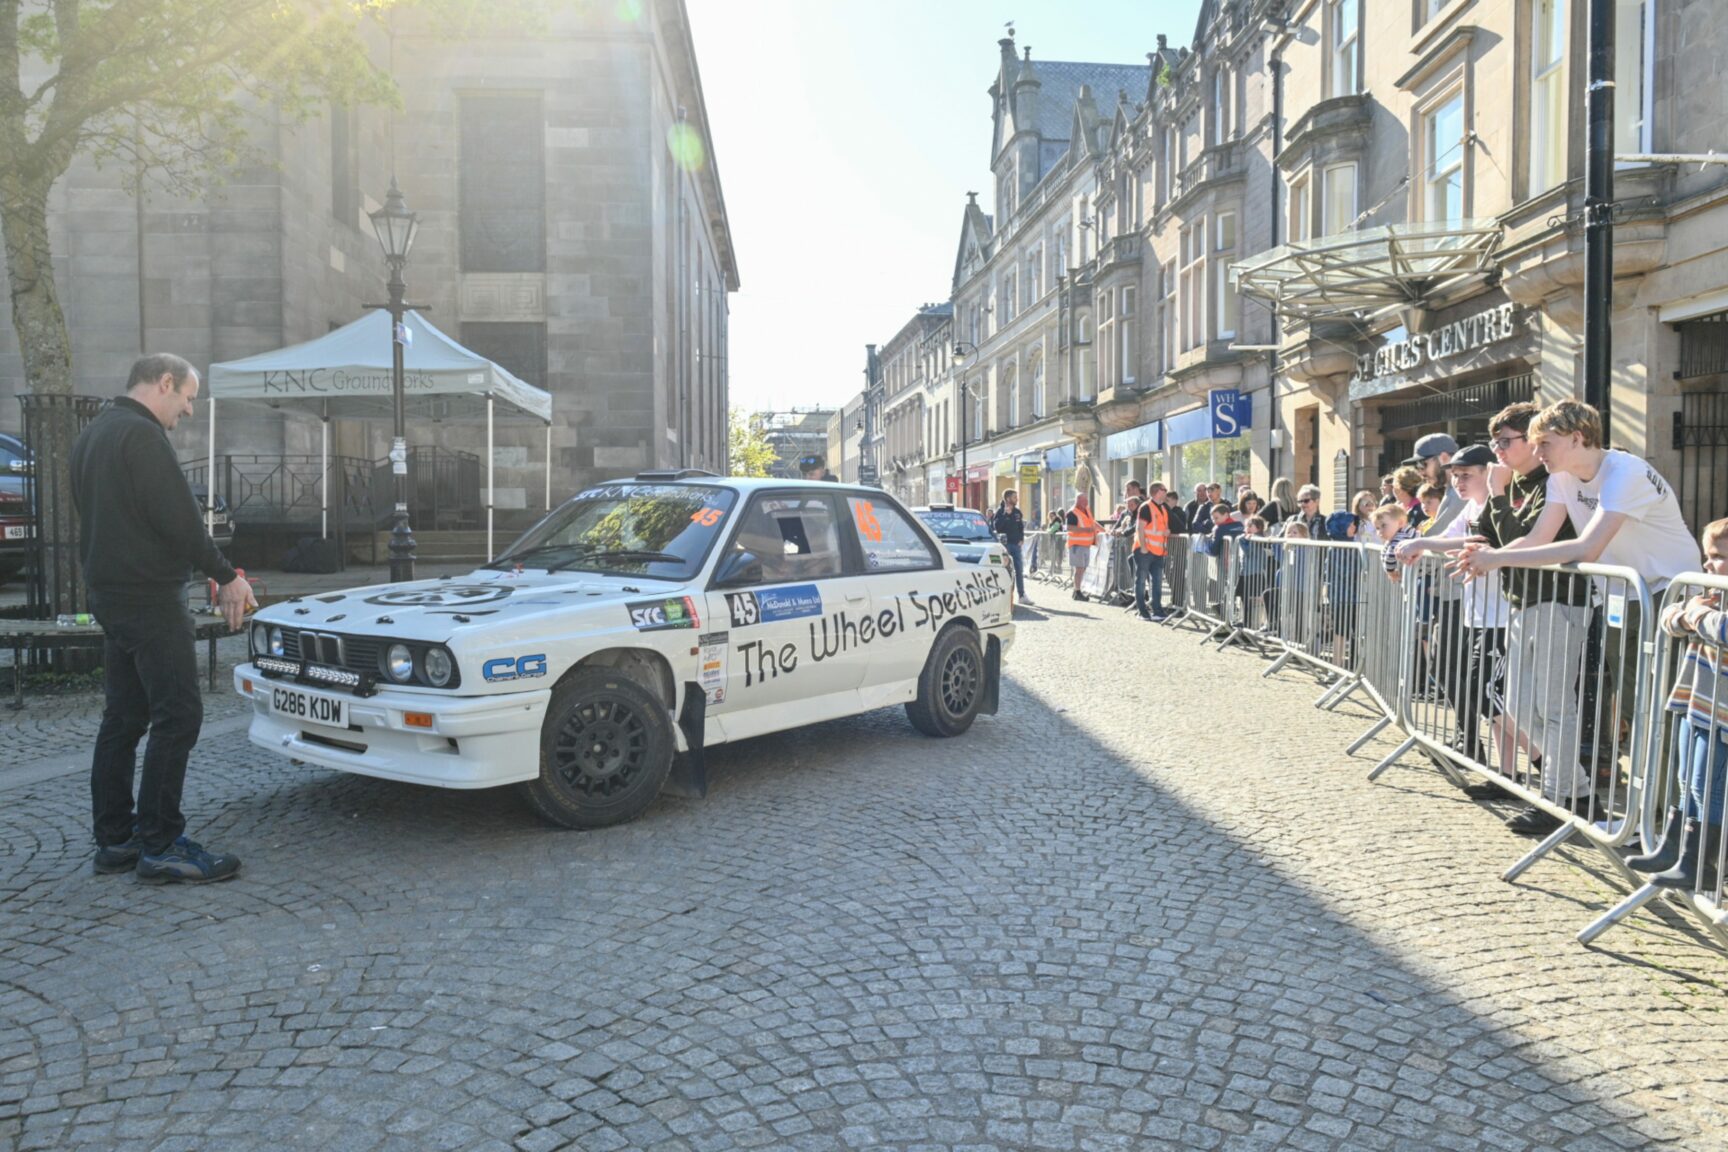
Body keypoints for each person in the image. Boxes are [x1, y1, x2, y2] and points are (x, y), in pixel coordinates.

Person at [1451, 399, 1700, 822]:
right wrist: (1491, 556)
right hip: (1624, 598)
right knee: (1558, 705)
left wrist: (1497, 560)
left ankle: (1665, 819)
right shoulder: (1562, 477)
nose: (1539, 452)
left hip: (1667, 595)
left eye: (1544, 442)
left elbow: (1588, 547)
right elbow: (1536, 540)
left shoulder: (1626, 472)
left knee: (1657, 710)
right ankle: (1630, 811)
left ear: (1578, 437)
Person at [71, 353, 255, 884]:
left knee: (124, 717)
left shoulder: (93, 434)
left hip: (109, 594)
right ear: (165, 383)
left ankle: (115, 838)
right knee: (178, 715)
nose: (190, 410)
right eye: (189, 397)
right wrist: (226, 575)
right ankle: (161, 843)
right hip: (149, 598)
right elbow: (179, 520)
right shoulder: (142, 436)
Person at [1462, 401, 1593, 824]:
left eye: (1506, 441)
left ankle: (1559, 799)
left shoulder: (1551, 482)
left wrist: (1497, 493)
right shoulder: (1518, 484)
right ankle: (1577, 791)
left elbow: (1526, 542)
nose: (1497, 450)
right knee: (1520, 704)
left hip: (1557, 600)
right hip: (1521, 602)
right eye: (1494, 442)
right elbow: (1491, 538)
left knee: (1555, 705)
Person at [1625, 517, 1727, 890]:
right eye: (1707, 557)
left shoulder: (1712, 604)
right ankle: (1675, 845)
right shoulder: (1709, 594)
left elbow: (1718, 628)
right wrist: (1692, 614)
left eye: (1718, 557)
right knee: (1685, 778)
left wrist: (1697, 616)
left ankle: (1702, 862)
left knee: (1707, 785)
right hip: (1695, 702)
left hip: (1721, 713)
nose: (1708, 566)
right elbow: (1671, 615)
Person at [1396, 445, 1511, 770]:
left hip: (1499, 613)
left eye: (1466, 476)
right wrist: (1422, 543)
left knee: (1489, 695)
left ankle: (1534, 762)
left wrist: (1422, 543)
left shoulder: (1495, 503)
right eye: (1456, 476)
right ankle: (1503, 770)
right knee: (1482, 692)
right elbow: (1450, 535)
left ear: (1487, 473)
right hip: (1478, 611)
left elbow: (1480, 542)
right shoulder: (1471, 505)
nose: (1459, 482)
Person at [1132, 482, 1172, 621]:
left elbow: (1160, 528)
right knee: (1142, 581)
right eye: (1164, 490)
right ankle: (1142, 611)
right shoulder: (1146, 507)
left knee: (1157, 582)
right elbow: (1140, 528)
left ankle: (1157, 611)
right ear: (1157, 491)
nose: (1166, 492)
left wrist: (1166, 532)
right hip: (1145, 550)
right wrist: (1143, 547)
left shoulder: (1163, 508)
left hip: (1158, 551)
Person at [992, 488, 1028, 601]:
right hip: (1005, 545)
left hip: (1016, 545)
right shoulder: (1000, 511)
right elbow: (997, 527)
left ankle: (1021, 595)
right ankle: (1007, 596)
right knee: (1006, 571)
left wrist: (1021, 538)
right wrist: (1005, 515)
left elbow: (1021, 527)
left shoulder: (1017, 512)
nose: (1016, 499)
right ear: (1008, 499)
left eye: (1016, 497)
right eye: (1014, 497)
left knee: (1019, 570)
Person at [1066, 491, 1102, 601]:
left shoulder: (1086, 510)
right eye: (1084, 500)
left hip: (1086, 545)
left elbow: (1093, 523)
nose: (1086, 501)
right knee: (1080, 569)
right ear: (1078, 501)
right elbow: (1070, 527)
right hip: (1077, 545)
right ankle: (1077, 591)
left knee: (1083, 568)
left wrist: (1104, 530)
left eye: (1086, 500)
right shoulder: (1072, 512)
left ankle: (1077, 590)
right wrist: (1085, 530)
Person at [1375, 503, 1417, 580]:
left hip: (1425, 572)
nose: (1380, 531)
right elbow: (1384, 552)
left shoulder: (1402, 535)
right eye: (1377, 528)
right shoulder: (1395, 535)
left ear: (1400, 523)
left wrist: (1391, 572)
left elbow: (1389, 556)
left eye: (1384, 526)